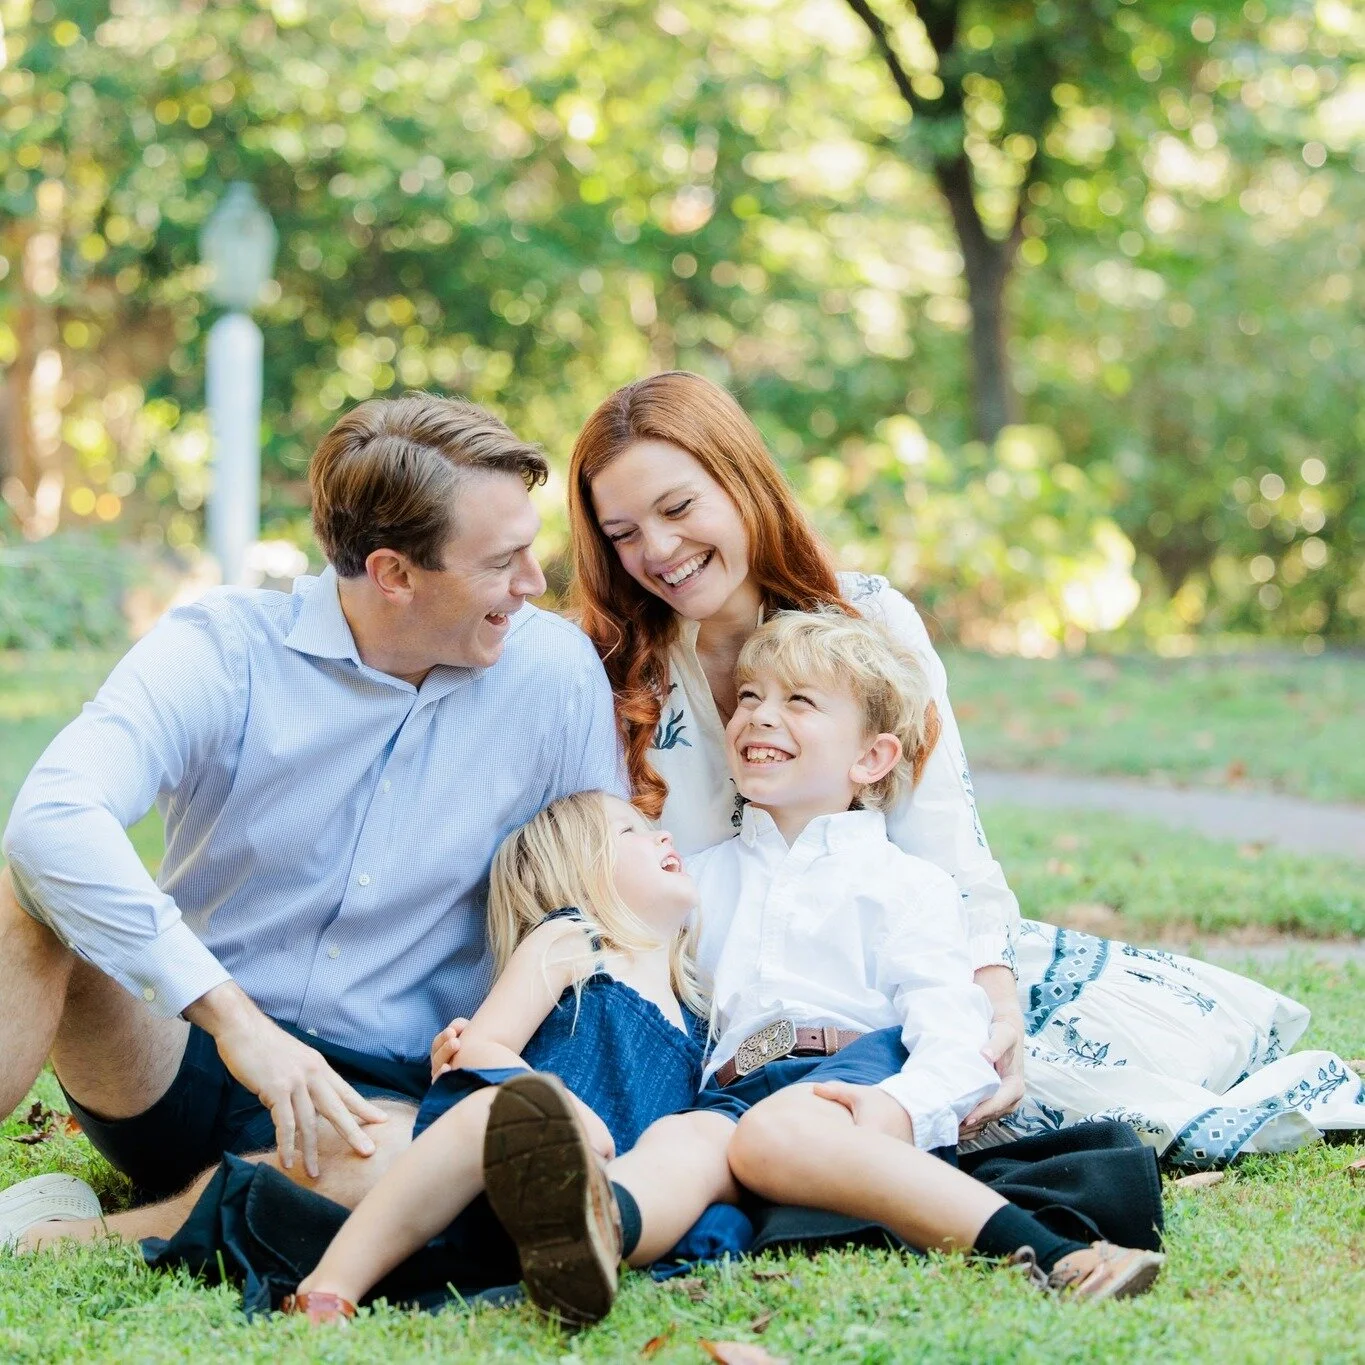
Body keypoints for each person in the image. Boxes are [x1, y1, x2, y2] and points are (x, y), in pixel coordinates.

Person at [567, 370, 1365, 1165]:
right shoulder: (605, 672)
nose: (657, 550)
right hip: (721, 1005)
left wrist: (992, 995)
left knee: (1045, 1077)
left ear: (742, 482)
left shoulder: (866, 619)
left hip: (888, 958)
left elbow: (943, 835)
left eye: (678, 508)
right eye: (623, 532)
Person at [0, 393, 624, 1253]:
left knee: (425, 1164)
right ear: (393, 574)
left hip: (375, 1104)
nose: (531, 583)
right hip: (179, 1057)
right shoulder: (225, 648)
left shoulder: (553, 673)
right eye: (501, 561)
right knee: (29, 888)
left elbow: (602, 894)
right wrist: (236, 1023)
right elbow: (52, 815)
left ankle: (63, 1238)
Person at [486, 610, 1164, 1324]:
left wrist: (904, 1106)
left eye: (798, 701)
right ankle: (589, 1233)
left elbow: (951, 1028)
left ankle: (1060, 1254)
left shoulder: (905, 884)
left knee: (774, 1133)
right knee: (681, 1140)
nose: (759, 715)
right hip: (731, 1089)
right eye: (750, 697)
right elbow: (627, 953)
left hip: (856, 1077)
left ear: (870, 758)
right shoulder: (698, 879)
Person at [279, 789, 716, 1325]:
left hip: (588, 1214)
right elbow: (482, 1046)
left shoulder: (695, 1014)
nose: (664, 836)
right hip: (514, 1169)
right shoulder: (576, 939)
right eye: (631, 832)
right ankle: (328, 1288)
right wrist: (560, 1115)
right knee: (488, 1114)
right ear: (579, 870)